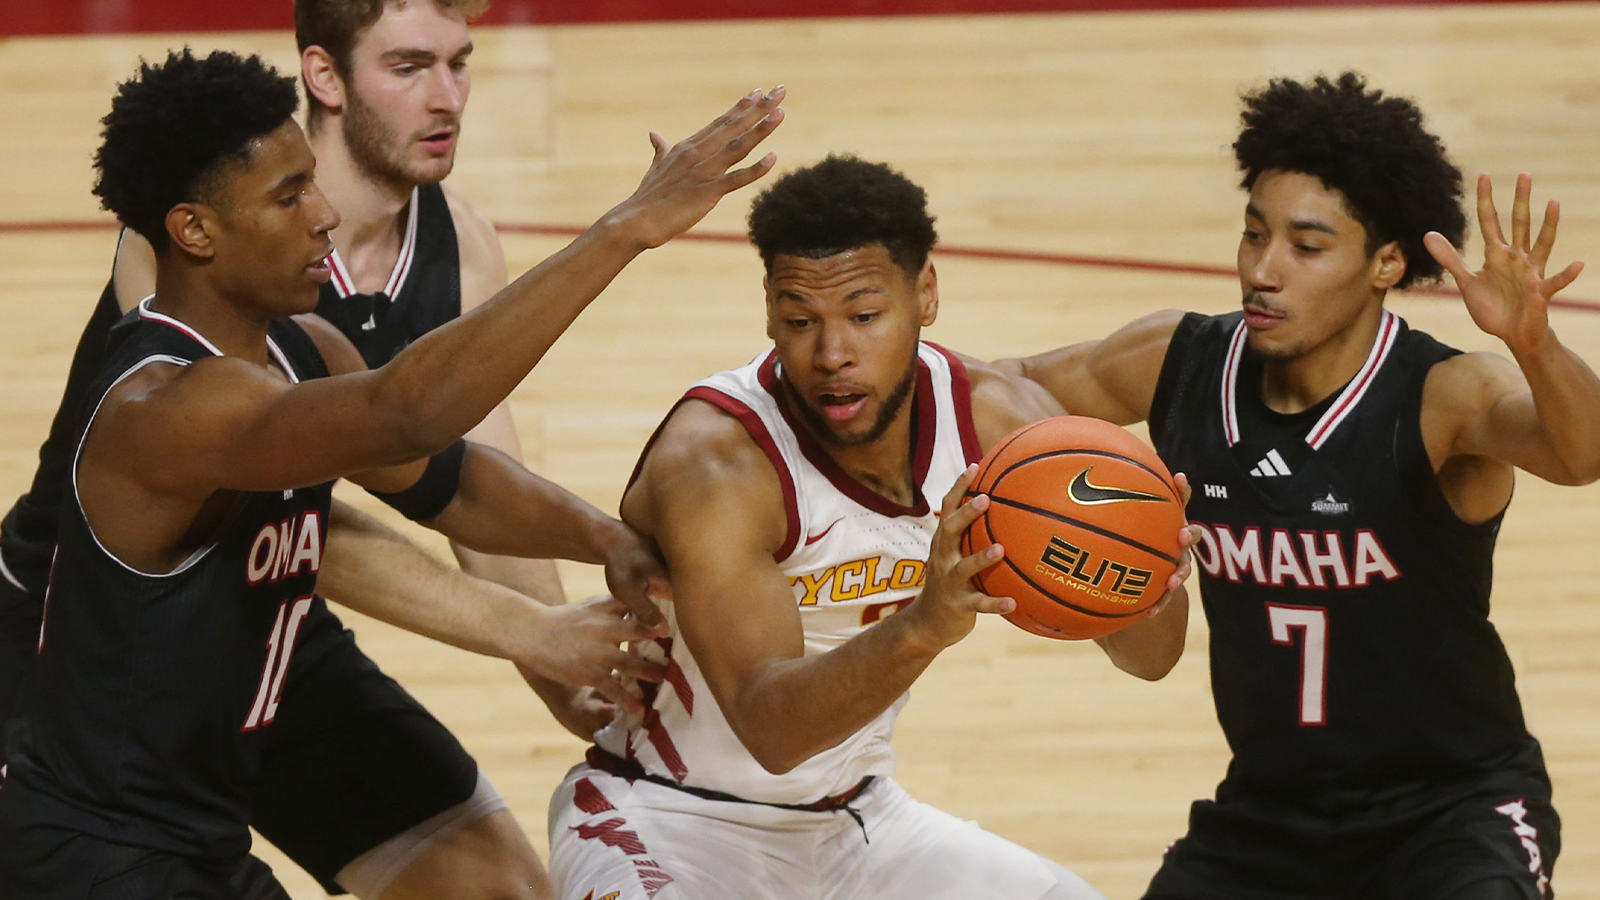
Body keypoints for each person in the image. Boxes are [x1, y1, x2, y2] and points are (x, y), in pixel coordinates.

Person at [0, 48, 782, 900]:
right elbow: (410, 411)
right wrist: (623, 228)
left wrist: (607, 539)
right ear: (195, 231)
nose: (325, 214)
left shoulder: (303, 349)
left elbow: (452, 479)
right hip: (91, 853)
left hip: (199, 828)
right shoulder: (167, 409)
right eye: (289, 195)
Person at [1001, 72, 1599, 899]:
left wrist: (1539, 348)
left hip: (1453, 813)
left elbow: (1583, 455)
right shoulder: (1180, 364)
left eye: (1307, 247)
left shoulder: (1442, 396)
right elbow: (1003, 390)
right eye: (1254, 236)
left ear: (1387, 262)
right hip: (1268, 817)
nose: (1264, 270)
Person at [546, 154, 1196, 900]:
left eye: (863, 316)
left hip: (859, 823)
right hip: (666, 818)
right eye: (800, 320)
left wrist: (1151, 567)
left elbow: (1151, 659)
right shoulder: (718, 466)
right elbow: (771, 730)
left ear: (925, 295)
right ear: (767, 309)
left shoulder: (999, 422)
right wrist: (926, 623)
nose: (831, 355)